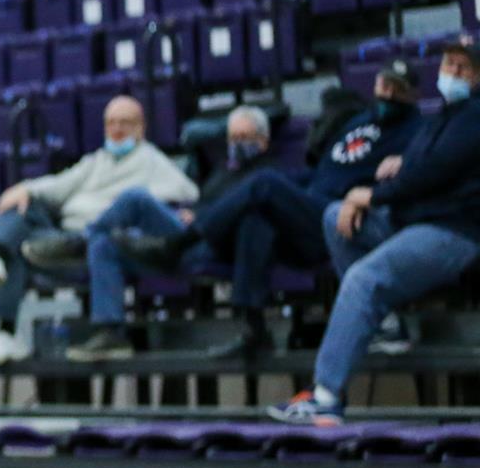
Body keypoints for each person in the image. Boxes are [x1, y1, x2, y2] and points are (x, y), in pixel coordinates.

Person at [123, 61, 424, 360]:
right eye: (384, 83)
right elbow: (320, 174)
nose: (386, 92)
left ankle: (178, 244)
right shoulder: (357, 122)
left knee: (263, 182)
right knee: (256, 217)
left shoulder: (416, 131)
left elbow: (410, 181)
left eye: (396, 87)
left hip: (344, 219)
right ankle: (255, 330)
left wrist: (395, 170)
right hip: (311, 210)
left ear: (411, 94)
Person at [270, 40, 480, 424]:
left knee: (362, 278)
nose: (452, 72)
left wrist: (371, 194)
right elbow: (418, 163)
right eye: (449, 63)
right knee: (335, 216)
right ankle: (387, 326)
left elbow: (429, 175)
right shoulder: (446, 115)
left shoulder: (474, 116)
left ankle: (325, 396)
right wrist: (398, 164)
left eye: (463, 68)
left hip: (453, 232)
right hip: (414, 220)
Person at [0, 96, 198, 369]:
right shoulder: (95, 161)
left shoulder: (153, 162)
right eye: (110, 123)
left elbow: (185, 194)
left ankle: (6, 325)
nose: (116, 129)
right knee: (20, 208)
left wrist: (180, 211)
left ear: (140, 128)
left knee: (96, 229)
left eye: (124, 123)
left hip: (102, 241)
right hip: (59, 240)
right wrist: (25, 188)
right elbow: (56, 186)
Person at [69, 106, 274, 362]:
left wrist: (201, 217)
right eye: (233, 138)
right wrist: (192, 212)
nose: (238, 144)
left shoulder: (267, 179)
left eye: (245, 137)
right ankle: (112, 334)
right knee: (103, 244)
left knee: (136, 197)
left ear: (263, 141)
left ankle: (77, 241)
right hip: (179, 242)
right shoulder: (223, 171)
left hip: (208, 245)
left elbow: (240, 217)